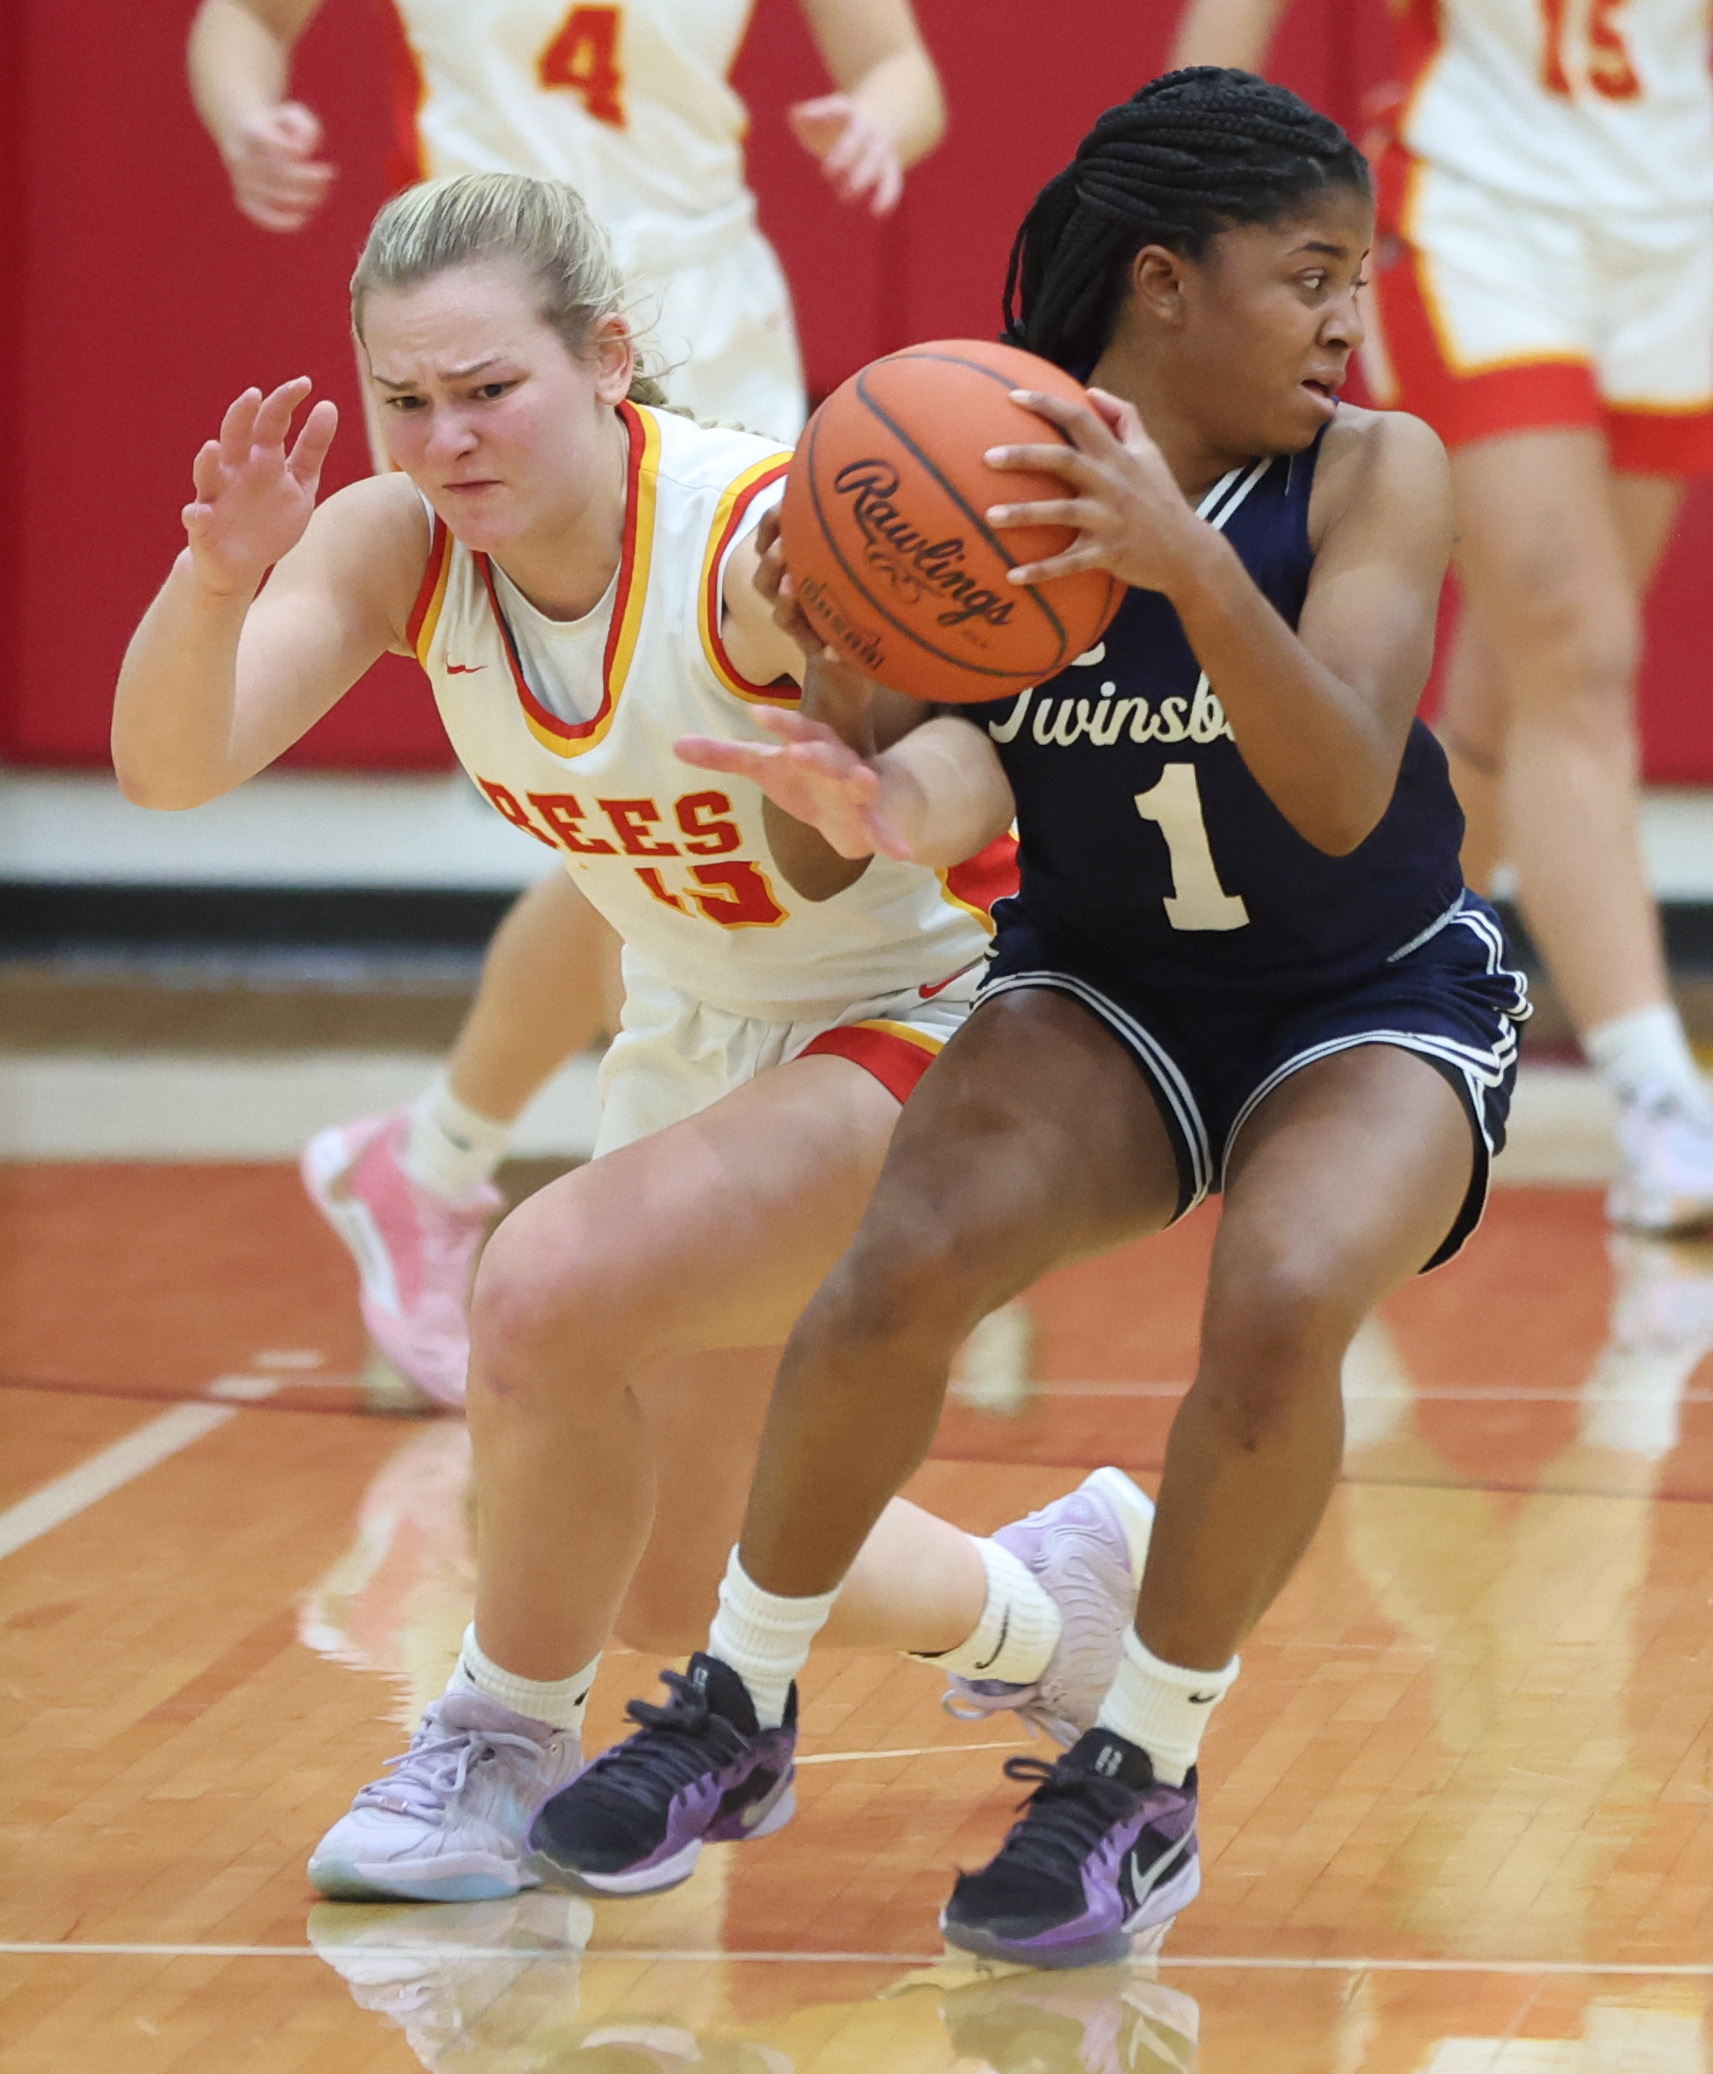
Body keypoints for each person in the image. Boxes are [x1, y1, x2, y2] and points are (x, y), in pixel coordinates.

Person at [530, 71, 1531, 1967]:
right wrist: (838, 749)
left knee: (1290, 1286)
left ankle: (1136, 1765)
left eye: (1360, 275)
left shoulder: (1371, 470)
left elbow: (1335, 781)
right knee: (902, 1254)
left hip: (1369, 989)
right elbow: (874, 844)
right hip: (1105, 982)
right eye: (1309, 273)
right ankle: (735, 1703)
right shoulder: (963, 464)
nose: (1349, 318)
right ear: (1164, 280)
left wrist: (1183, 560)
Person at [110, 171, 1154, 1905]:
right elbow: (172, 762)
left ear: (606, 358)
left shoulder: (759, 542)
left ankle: (493, 1739)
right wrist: (217, 579)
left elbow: (960, 712)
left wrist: (854, 698)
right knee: (683, 1580)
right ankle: (1048, 1605)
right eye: (406, 398)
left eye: (489, 387)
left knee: (535, 1280)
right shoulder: (396, 545)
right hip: (709, 1018)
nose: (446, 437)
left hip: (949, 1011)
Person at [187, 0, 948, 1404]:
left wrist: (875, 128)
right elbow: (241, 18)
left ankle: (443, 1164)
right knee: (630, 818)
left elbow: (902, 73)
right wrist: (246, 112)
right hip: (482, 336)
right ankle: (451, 1164)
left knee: (725, 784)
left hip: (698, 315)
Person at [1173, 0, 1713, 1236]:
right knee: (1581, 650)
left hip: (1675, 214)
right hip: (1486, 210)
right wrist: (1176, 189)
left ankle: (1349, 1018)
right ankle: (1659, 1093)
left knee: (1519, 688)